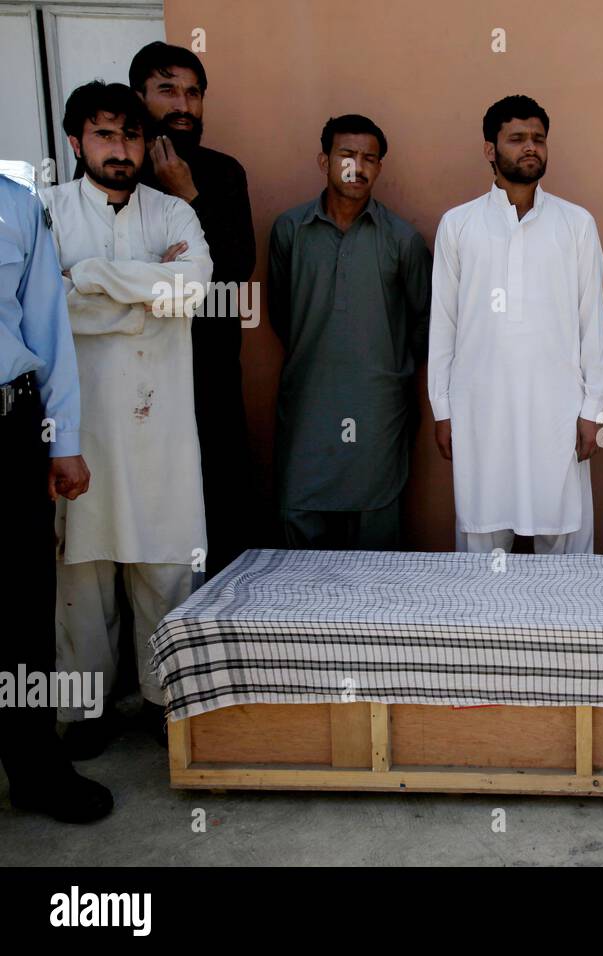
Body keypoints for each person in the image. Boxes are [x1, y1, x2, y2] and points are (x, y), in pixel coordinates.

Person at [42, 82, 211, 756]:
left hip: (162, 423)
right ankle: (84, 714)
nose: (120, 149)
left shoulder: (173, 212)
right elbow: (42, 311)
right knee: (79, 572)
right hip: (77, 425)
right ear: (77, 141)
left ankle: (165, 701)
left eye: (131, 135)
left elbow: (193, 286)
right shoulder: (46, 212)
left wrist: (88, 278)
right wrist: (144, 289)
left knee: (166, 564)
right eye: (105, 135)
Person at [429, 95, 603, 554]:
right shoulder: (459, 225)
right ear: (490, 150)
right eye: (517, 139)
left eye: (538, 139)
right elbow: (444, 325)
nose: (530, 147)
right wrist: (443, 408)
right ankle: (480, 625)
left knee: (564, 531)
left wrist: (593, 407)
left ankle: (570, 626)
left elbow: (593, 319)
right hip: (480, 407)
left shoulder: (576, 224)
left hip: (558, 408)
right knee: (482, 531)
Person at [0, 172, 111, 822]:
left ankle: (37, 769)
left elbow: (47, 329)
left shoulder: (16, 208)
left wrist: (61, 438)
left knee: (19, 609)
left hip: (9, 423)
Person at [268, 114, 431, 550]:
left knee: (376, 542)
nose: (357, 166)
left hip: (379, 411)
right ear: (324, 161)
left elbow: (424, 321)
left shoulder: (403, 240)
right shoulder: (290, 231)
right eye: (346, 155)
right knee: (299, 543)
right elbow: (283, 314)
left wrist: (385, 368)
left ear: (379, 167)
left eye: (369, 158)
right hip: (307, 407)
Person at [132, 41, 257, 576]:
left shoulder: (224, 173)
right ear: (140, 96)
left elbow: (234, 271)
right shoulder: (116, 170)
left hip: (209, 367)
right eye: (167, 90)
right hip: (136, 373)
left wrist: (186, 196)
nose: (183, 104)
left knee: (221, 508)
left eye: (193, 92)